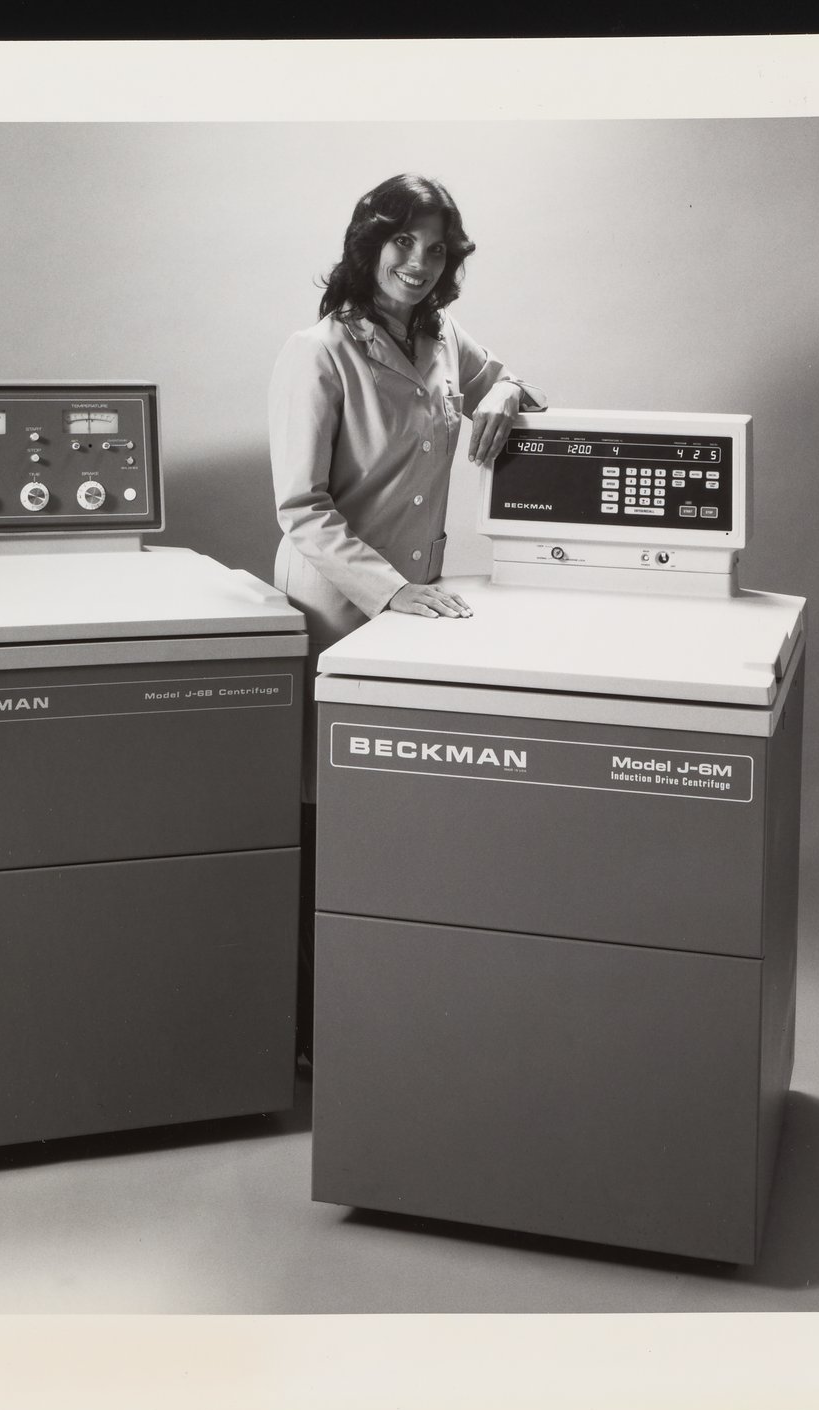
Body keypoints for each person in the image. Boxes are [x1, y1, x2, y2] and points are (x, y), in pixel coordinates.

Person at [268, 172, 547, 1064]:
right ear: (368, 242)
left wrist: (504, 394)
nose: (419, 263)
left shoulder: (442, 335)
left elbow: (501, 381)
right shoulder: (316, 352)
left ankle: (381, 1008)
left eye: (436, 249)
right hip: (335, 608)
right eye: (403, 243)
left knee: (388, 808)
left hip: (411, 609)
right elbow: (302, 507)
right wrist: (390, 592)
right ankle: (311, 1031)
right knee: (322, 812)